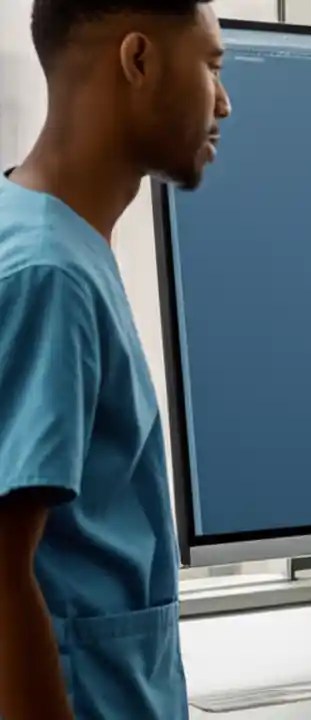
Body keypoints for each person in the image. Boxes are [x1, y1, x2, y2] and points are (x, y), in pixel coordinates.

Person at [0, 1, 230, 717]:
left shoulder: (49, 238)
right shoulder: (51, 276)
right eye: (211, 64)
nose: (224, 99)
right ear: (138, 60)